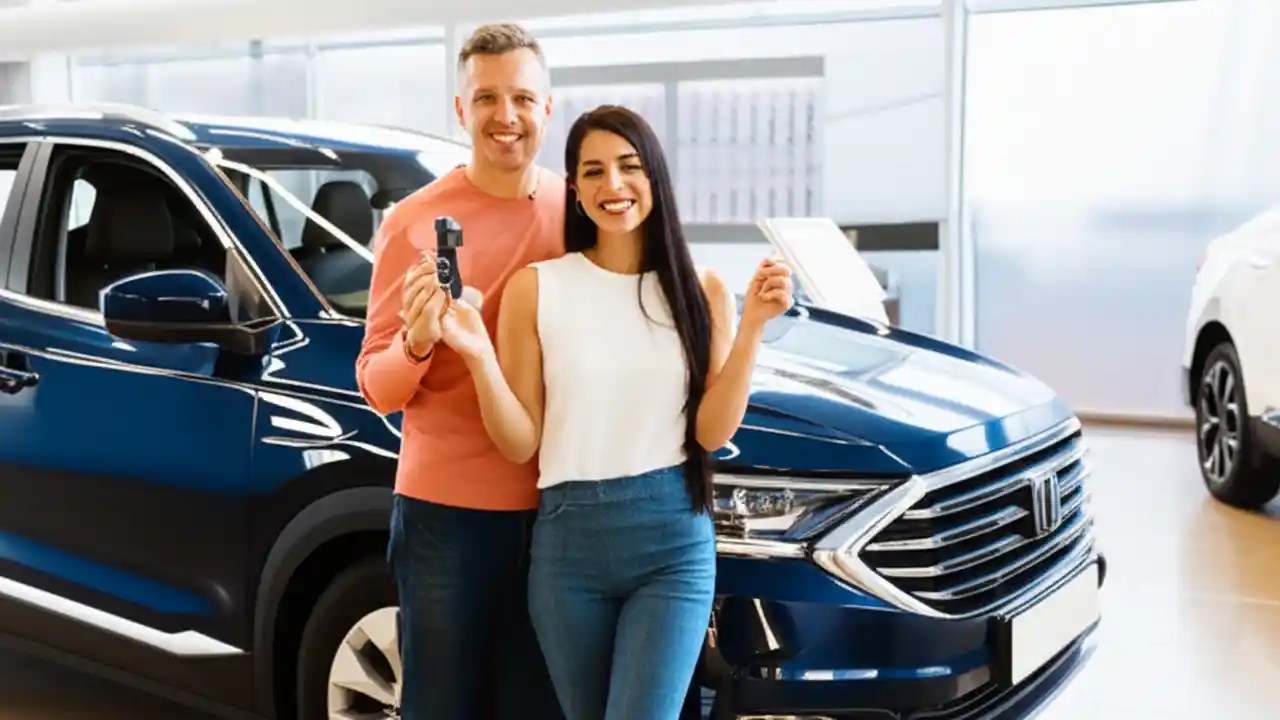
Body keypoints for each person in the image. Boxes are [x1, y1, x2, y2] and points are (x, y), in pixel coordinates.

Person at [436, 105, 794, 720]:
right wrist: (477, 357)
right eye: (593, 172)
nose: (613, 186)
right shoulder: (536, 287)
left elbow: (712, 430)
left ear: (654, 177)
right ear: (574, 190)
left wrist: (754, 329)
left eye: (629, 166)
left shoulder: (699, 289)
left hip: (671, 544)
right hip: (567, 548)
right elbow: (521, 442)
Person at [354, 22, 565, 720]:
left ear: (548, 107)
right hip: (447, 517)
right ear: (459, 110)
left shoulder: (581, 212)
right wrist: (416, 340)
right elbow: (377, 389)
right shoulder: (416, 222)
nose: (506, 117)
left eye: (522, 99)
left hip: (558, 512)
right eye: (487, 98)